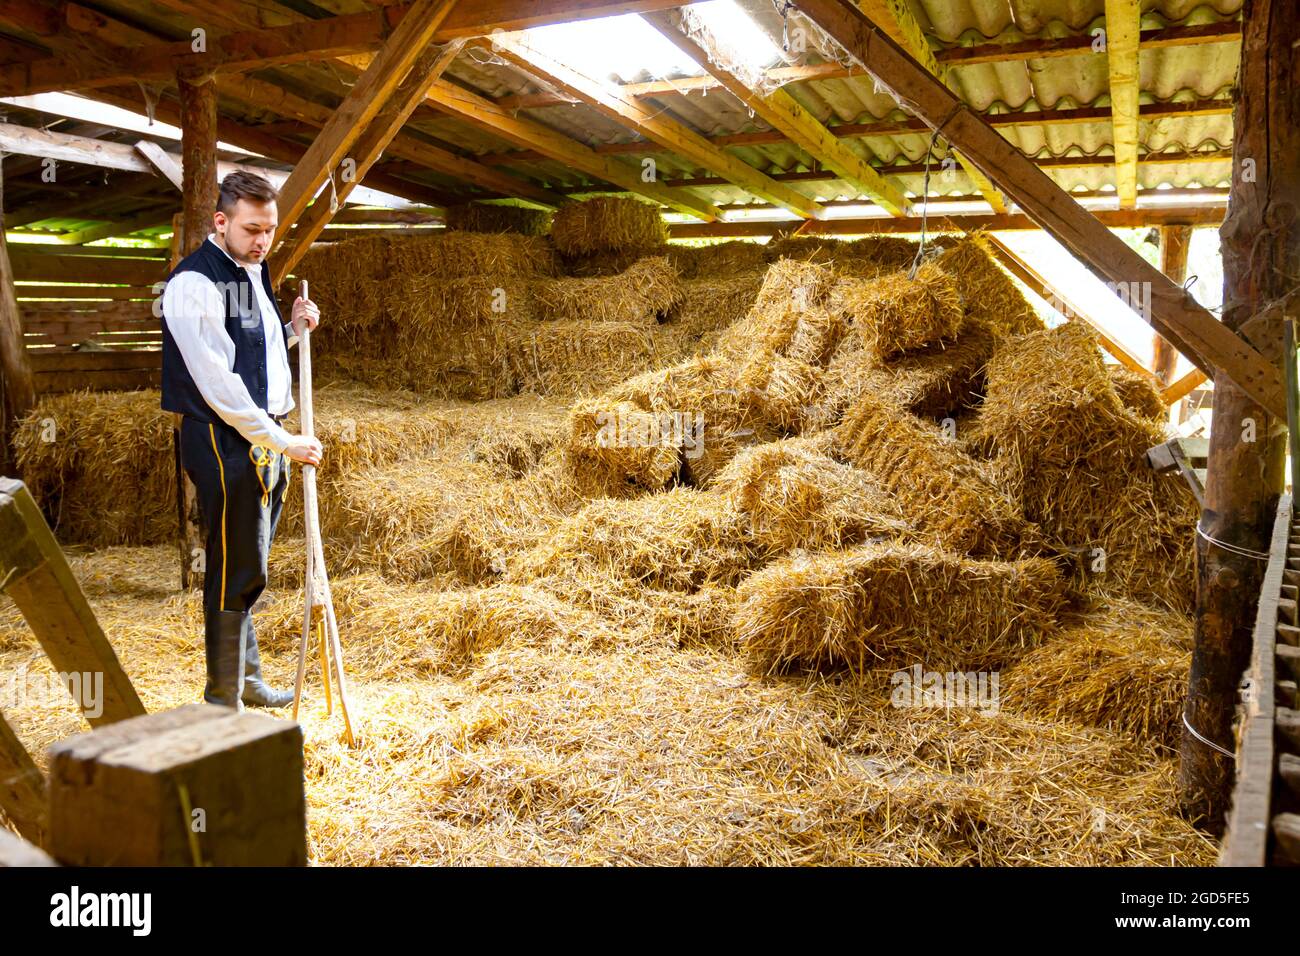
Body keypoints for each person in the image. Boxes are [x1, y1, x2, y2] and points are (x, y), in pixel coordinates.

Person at [160, 170, 323, 709]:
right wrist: (282, 440)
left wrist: (294, 328)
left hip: (262, 438)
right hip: (223, 439)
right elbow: (219, 385)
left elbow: (258, 352)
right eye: (252, 229)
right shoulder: (192, 284)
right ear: (221, 221)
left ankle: (247, 682)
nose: (262, 241)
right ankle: (222, 697)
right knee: (235, 564)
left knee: (246, 560)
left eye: (270, 230)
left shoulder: (252, 271)